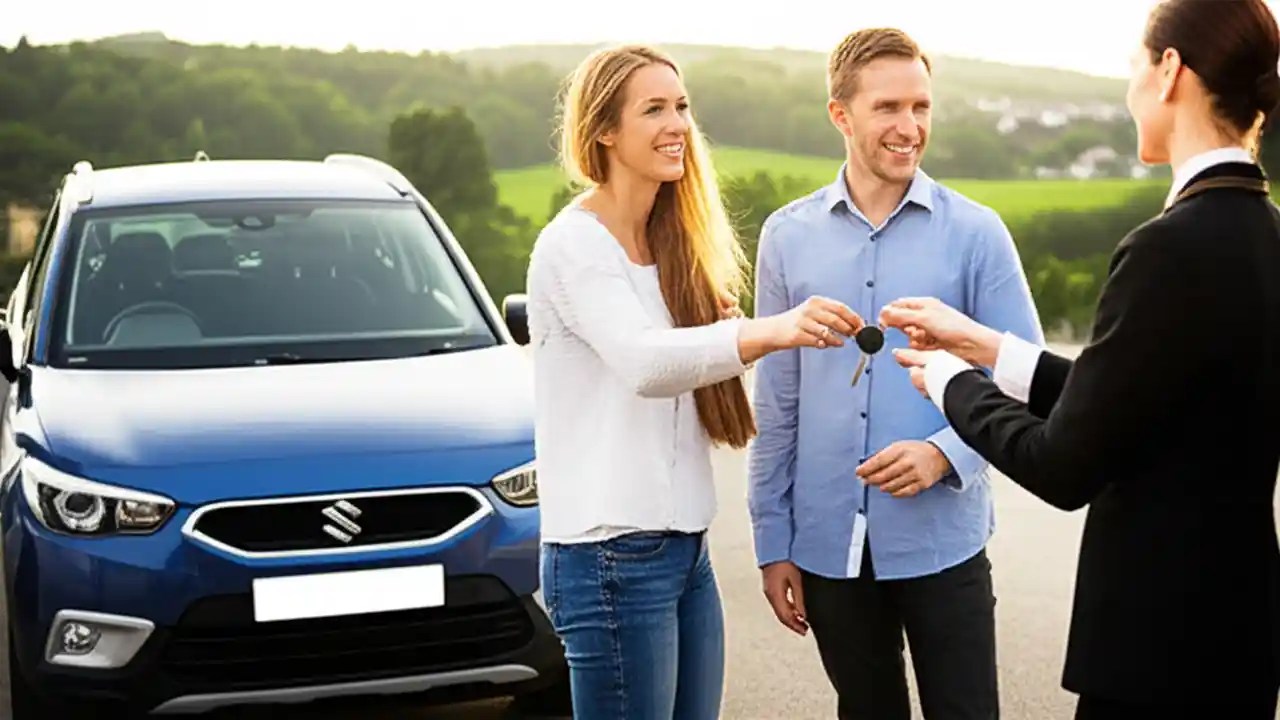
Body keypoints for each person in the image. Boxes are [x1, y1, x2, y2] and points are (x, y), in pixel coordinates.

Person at [881, 1, 1280, 717]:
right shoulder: (1264, 236)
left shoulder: (1166, 249)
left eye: (1134, 65)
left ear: (1168, 72)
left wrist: (950, 384)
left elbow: (1064, 465)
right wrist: (988, 347)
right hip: (1241, 643)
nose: (1128, 89)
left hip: (1152, 656)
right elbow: (1134, 399)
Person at [525, 44, 865, 720]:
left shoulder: (667, 244)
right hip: (609, 557)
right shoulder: (575, 246)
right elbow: (646, 363)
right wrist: (771, 330)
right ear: (604, 131)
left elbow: (680, 362)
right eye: (653, 109)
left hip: (683, 550)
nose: (677, 124)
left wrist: (725, 340)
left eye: (681, 106)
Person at [746, 27, 1043, 720]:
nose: (909, 128)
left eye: (921, 107)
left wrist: (944, 454)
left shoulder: (977, 234)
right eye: (888, 108)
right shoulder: (787, 237)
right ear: (840, 114)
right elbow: (779, 402)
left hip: (944, 542)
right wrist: (772, 542)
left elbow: (1027, 384)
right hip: (826, 549)